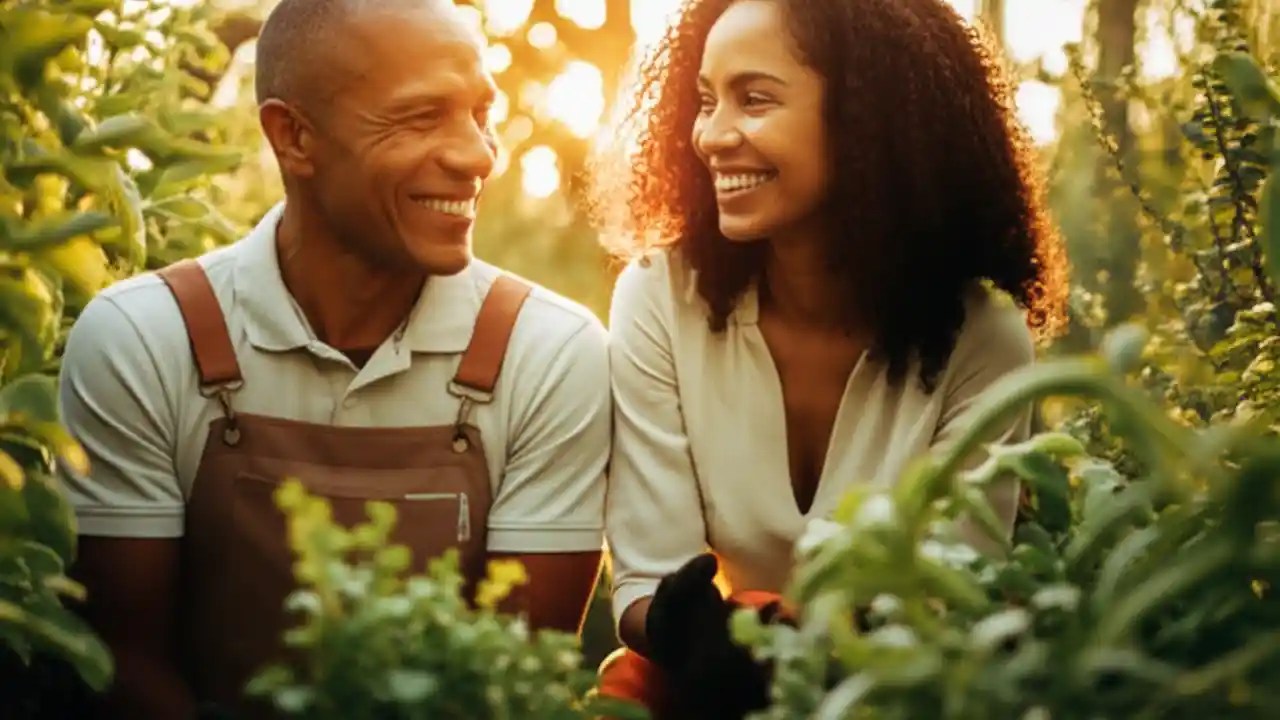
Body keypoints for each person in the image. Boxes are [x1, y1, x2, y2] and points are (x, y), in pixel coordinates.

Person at [56, 1, 610, 718]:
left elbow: (513, 683)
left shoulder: (549, 353)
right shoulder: (143, 337)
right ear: (294, 138)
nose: (477, 154)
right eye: (421, 117)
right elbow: (126, 667)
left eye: (481, 113)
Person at [588, 0, 1071, 716]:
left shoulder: (983, 335)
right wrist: (696, 635)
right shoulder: (660, 299)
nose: (711, 136)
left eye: (754, 99)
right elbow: (646, 584)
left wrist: (809, 665)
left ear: (867, 116)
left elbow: (954, 594)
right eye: (705, 100)